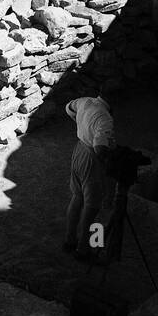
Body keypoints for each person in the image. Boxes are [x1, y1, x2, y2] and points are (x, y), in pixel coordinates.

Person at [62, 89, 115, 261]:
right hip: (92, 159)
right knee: (94, 208)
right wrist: (109, 162)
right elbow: (100, 148)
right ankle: (86, 249)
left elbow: (69, 108)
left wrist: (83, 125)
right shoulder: (105, 118)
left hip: (79, 151)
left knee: (77, 197)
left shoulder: (85, 101)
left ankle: (70, 241)